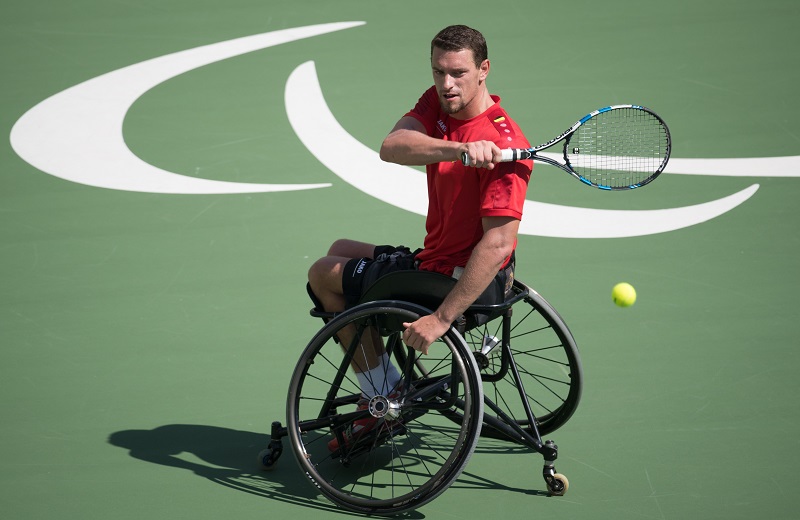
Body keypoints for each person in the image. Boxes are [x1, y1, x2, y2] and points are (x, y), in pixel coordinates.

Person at [307, 24, 533, 450]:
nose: (446, 84)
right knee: (341, 249)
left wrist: (442, 319)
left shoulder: (506, 148)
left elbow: (499, 244)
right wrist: (459, 149)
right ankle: (385, 374)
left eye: (458, 73)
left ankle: (383, 394)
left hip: (451, 281)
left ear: (484, 70)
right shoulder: (441, 105)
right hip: (435, 259)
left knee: (323, 274)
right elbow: (392, 146)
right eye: (437, 72)